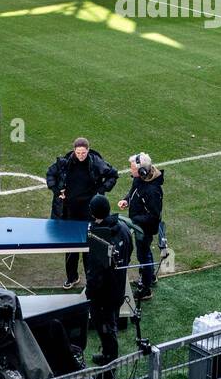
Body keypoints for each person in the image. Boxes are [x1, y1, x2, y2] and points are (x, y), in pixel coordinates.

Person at [47, 137, 119, 288]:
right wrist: (56, 190)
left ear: (88, 150)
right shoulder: (65, 162)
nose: (81, 155)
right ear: (74, 150)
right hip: (70, 211)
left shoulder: (96, 162)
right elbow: (50, 174)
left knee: (89, 247)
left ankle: (90, 277)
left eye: (83, 152)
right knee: (71, 247)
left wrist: (101, 190)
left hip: (89, 212)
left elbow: (113, 174)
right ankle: (72, 277)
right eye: (78, 152)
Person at [84, 195, 132, 365]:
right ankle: (107, 354)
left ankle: (109, 367)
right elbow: (129, 253)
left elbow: (95, 271)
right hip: (117, 288)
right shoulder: (124, 228)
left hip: (103, 295)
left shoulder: (99, 237)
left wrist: (90, 292)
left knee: (106, 329)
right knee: (111, 324)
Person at [119, 152, 163, 297]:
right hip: (139, 224)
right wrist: (127, 200)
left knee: (143, 255)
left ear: (142, 171)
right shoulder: (140, 179)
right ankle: (149, 277)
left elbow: (154, 216)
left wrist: (135, 220)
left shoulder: (153, 191)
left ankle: (145, 289)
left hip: (144, 228)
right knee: (144, 253)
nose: (131, 170)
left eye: (133, 168)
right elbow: (134, 192)